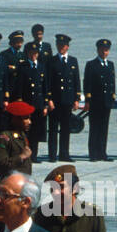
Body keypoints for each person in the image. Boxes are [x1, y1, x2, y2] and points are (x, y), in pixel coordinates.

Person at [46, 34, 80, 162]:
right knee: (53, 129)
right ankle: (52, 154)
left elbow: (76, 80)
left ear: (67, 47)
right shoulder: (51, 61)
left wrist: (76, 98)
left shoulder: (72, 61)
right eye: (59, 45)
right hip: (55, 101)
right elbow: (48, 82)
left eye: (64, 45)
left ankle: (64, 153)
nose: (61, 47)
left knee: (66, 128)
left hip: (67, 100)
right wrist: (49, 99)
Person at [12, 43, 49, 160]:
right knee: (25, 131)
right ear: (27, 54)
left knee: (36, 131)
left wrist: (45, 104)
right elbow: (19, 86)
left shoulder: (42, 67)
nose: (33, 56)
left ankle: (34, 155)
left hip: (38, 104)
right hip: (27, 104)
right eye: (31, 53)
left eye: (35, 53)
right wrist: (20, 103)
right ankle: (25, 154)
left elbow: (45, 87)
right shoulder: (23, 67)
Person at [83, 38, 116, 161]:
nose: (104, 52)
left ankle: (102, 152)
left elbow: (112, 83)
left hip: (106, 101)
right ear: (98, 50)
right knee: (94, 128)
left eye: (106, 50)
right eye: (102, 50)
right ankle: (93, 153)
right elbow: (87, 83)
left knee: (104, 128)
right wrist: (88, 100)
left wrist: (112, 96)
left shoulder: (110, 65)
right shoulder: (91, 65)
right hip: (95, 101)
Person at [0, 101, 34, 177]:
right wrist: (21, 157)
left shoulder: (22, 134)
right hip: (10, 182)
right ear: (15, 119)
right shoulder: (5, 137)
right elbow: (0, 164)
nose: (29, 122)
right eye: (26, 118)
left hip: (24, 180)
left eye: (29, 118)